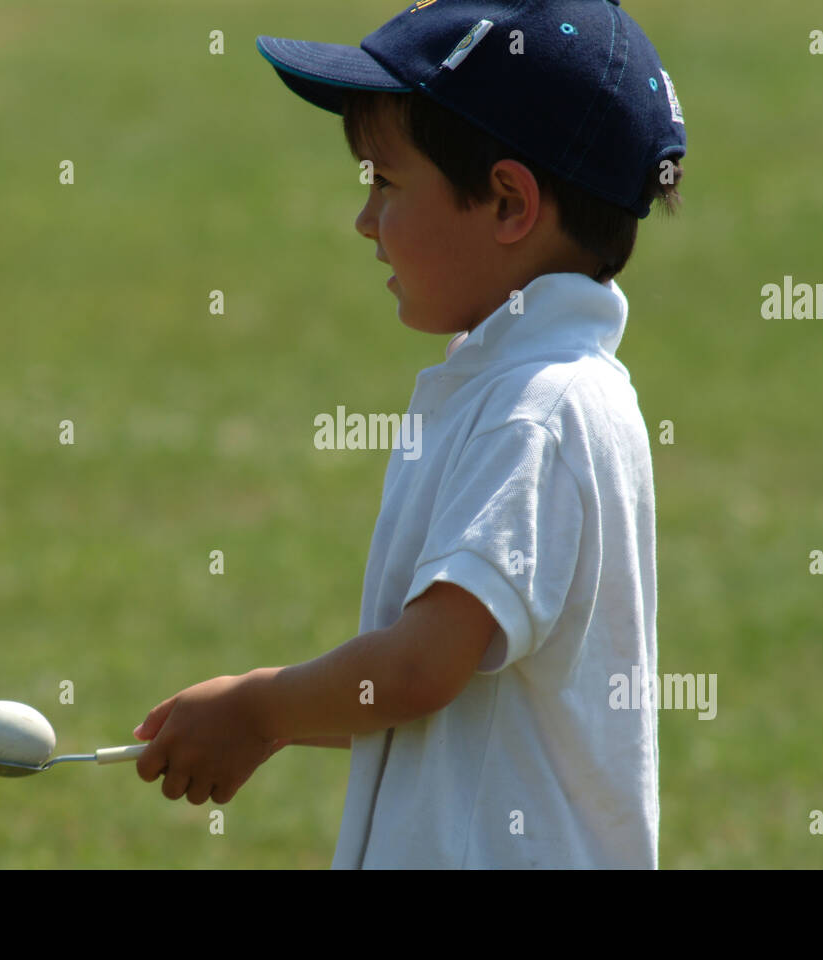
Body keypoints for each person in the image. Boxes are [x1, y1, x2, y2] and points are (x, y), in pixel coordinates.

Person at [132, 0, 687, 869]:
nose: (363, 220)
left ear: (508, 201)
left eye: (384, 183)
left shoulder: (535, 412)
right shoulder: (530, 383)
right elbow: (455, 700)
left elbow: (424, 667)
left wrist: (261, 709)